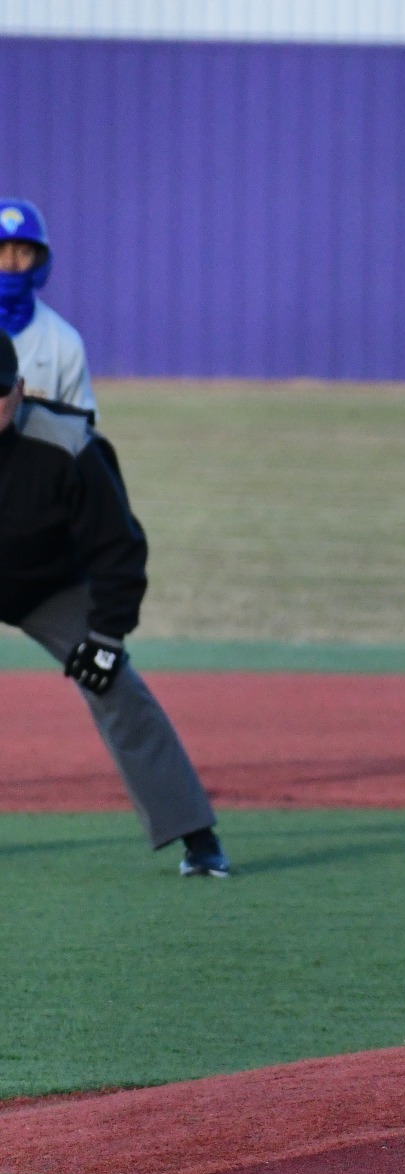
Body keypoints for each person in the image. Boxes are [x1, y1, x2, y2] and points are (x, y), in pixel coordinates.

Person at [0, 331, 228, 876]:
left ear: (21, 389)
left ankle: (194, 835)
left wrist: (106, 638)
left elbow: (119, 549)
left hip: (49, 584)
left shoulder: (68, 444)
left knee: (115, 685)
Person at [0, 199, 95, 415]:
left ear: (40, 260)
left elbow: (81, 433)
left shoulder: (64, 343)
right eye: (0, 251)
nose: (9, 263)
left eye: (23, 252)